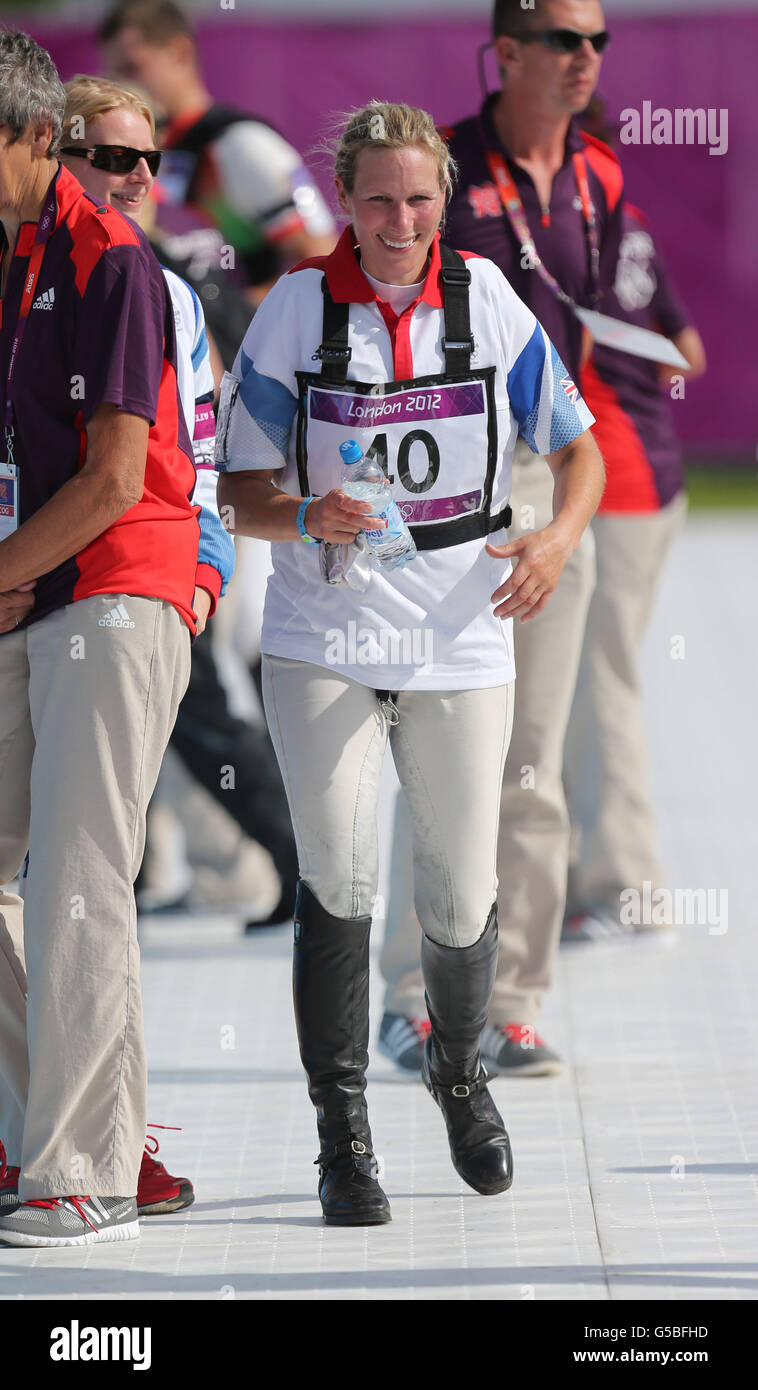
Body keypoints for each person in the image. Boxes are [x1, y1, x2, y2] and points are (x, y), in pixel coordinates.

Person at [216, 101, 605, 1225]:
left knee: (460, 888)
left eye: (418, 198)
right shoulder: (295, 310)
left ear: (444, 199)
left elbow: (576, 451)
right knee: (337, 880)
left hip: (458, 626)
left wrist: (557, 535)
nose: (398, 221)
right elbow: (239, 494)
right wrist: (306, 518)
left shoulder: (484, 300)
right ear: (346, 200)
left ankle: (459, 1075)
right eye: (378, 199)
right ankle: (342, 1138)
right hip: (323, 632)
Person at [378, 0, 623, 1079]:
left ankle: (509, 1002)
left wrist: (570, 517)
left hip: (547, 473)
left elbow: (596, 324)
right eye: (566, 40)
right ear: (508, 50)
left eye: (598, 42)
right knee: (432, 755)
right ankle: (408, 1001)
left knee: (531, 761)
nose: (587, 60)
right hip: (438, 478)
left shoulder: (598, 171)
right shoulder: (441, 165)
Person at [0, 31, 199, 1247]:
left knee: (76, 883)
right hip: (34, 580)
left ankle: (78, 1172)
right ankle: (75, 1133)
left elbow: (119, 476)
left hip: (120, 585)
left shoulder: (110, 257)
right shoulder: (16, 250)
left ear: (32, 139)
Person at [59, 75, 298, 932]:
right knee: (158, 725)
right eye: (113, 158)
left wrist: (214, 547)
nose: (135, 177)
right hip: (93, 547)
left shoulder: (181, 270)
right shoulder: (43, 263)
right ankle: (153, 874)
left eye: (147, 161)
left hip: (176, 533)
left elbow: (234, 401)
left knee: (208, 710)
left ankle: (305, 869)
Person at [563, 102, 706, 938]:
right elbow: (691, 353)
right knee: (592, 680)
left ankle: (627, 883)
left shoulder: (571, 231)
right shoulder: (636, 222)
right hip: (650, 475)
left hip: (611, 481)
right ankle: (590, 874)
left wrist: (598, 345)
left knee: (597, 682)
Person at [99, 0, 336, 303]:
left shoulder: (242, 143)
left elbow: (321, 261)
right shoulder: (132, 150)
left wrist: (227, 321)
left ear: (180, 52)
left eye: (133, 67)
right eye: (113, 73)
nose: (122, 84)